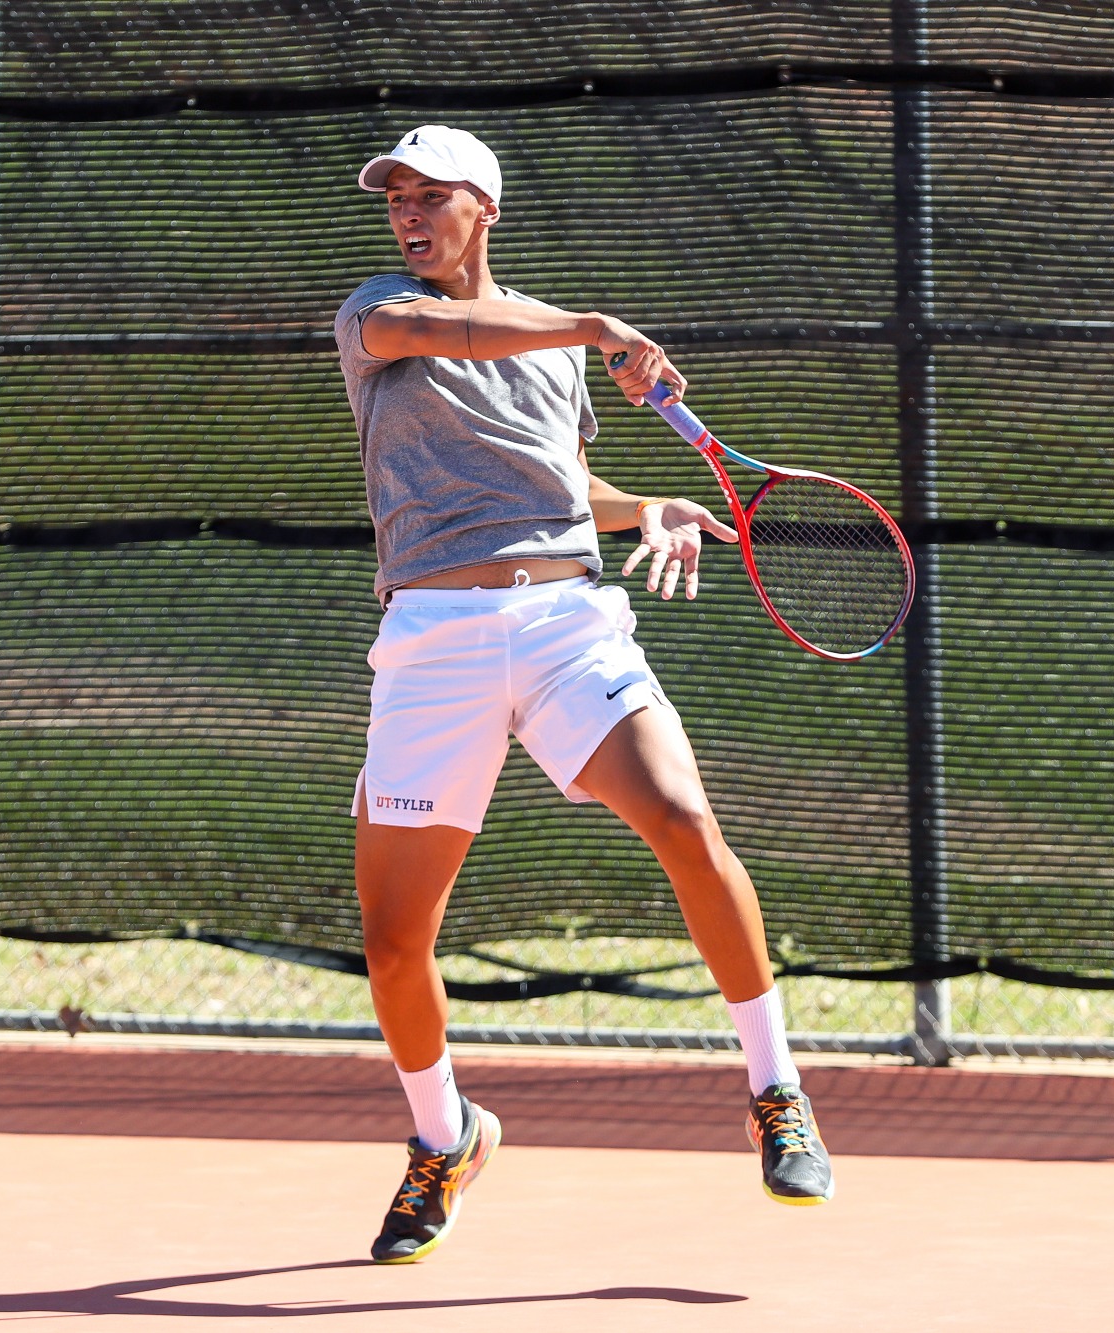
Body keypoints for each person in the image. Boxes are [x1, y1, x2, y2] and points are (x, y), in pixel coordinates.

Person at [334, 125, 833, 1265]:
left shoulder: (551, 351)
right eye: (394, 198)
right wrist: (600, 325)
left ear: (484, 209)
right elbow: (446, 328)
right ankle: (443, 1139)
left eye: (430, 196)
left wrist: (646, 504)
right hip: (432, 639)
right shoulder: (374, 310)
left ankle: (775, 1090)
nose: (406, 214)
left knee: (681, 816)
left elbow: (560, 482)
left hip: (567, 624)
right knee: (395, 942)